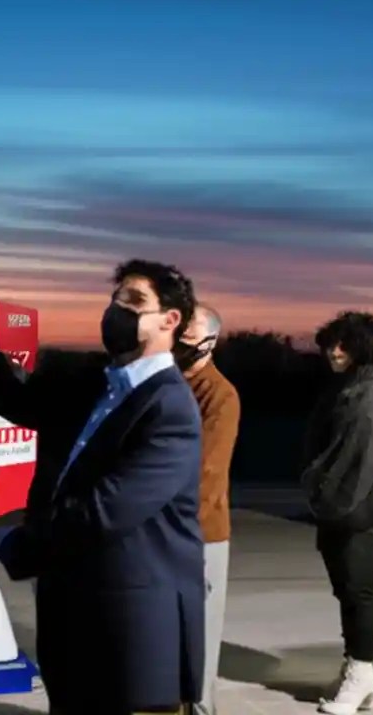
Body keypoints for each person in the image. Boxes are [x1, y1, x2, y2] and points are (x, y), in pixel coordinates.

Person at [0, 259, 205, 715]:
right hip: (74, 613)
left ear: (170, 320)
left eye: (134, 302)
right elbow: (30, 403)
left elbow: (105, 510)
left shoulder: (170, 408)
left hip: (130, 632)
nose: (117, 312)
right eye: (115, 301)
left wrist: (19, 545)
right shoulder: (100, 387)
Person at [302, 311, 373, 715]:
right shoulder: (344, 391)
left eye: (343, 344)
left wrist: (324, 496)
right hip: (341, 510)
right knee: (347, 589)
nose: (334, 351)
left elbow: (355, 466)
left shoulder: (367, 400)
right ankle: (358, 669)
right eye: (330, 343)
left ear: (363, 349)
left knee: (361, 590)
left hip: (361, 512)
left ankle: (362, 671)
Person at [175, 303, 241, 715]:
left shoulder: (219, 395)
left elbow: (205, 471)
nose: (178, 347)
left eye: (187, 341)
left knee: (198, 652)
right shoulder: (172, 384)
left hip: (201, 534)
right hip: (172, 533)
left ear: (209, 344)